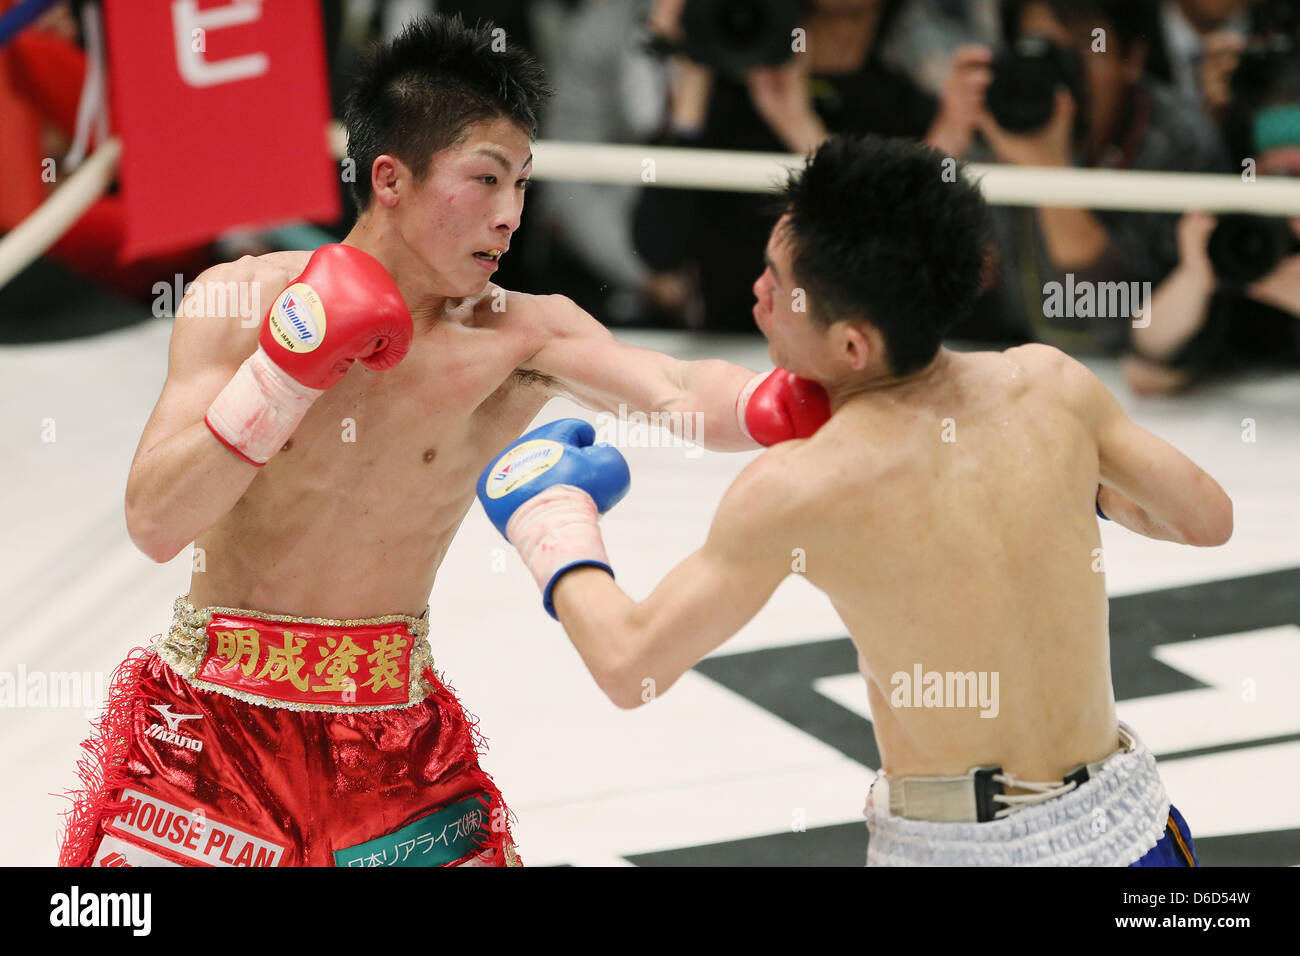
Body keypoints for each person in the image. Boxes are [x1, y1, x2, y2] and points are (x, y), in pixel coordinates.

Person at [58, 13, 826, 868]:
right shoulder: (243, 303)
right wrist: (283, 375)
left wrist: (793, 399)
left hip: (395, 748)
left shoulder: (522, 338)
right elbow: (156, 522)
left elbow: (680, 389)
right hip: (205, 734)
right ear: (390, 178)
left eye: (524, 185)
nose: (510, 216)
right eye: (486, 179)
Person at [479, 134, 1233, 866]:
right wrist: (1061, 483)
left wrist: (551, 520)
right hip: (1132, 830)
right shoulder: (1049, 385)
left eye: (778, 282)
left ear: (852, 347)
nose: (758, 292)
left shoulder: (803, 486)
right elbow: (1205, 519)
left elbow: (629, 664)